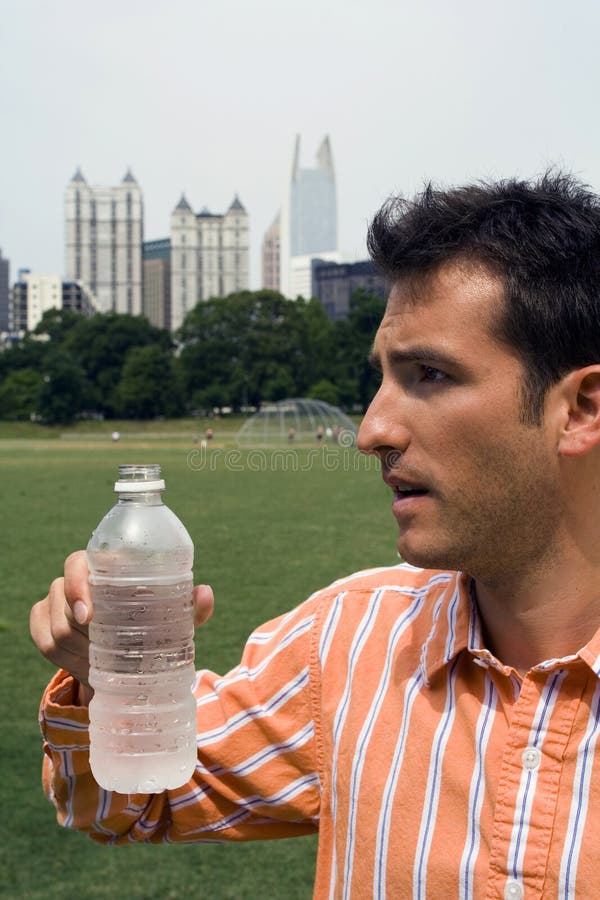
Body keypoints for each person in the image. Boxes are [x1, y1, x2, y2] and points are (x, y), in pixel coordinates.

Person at [30, 172, 600, 898]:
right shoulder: (349, 644)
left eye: (430, 374)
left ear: (581, 408)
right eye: (382, 377)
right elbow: (133, 803)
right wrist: (108, 680)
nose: (372, 430)